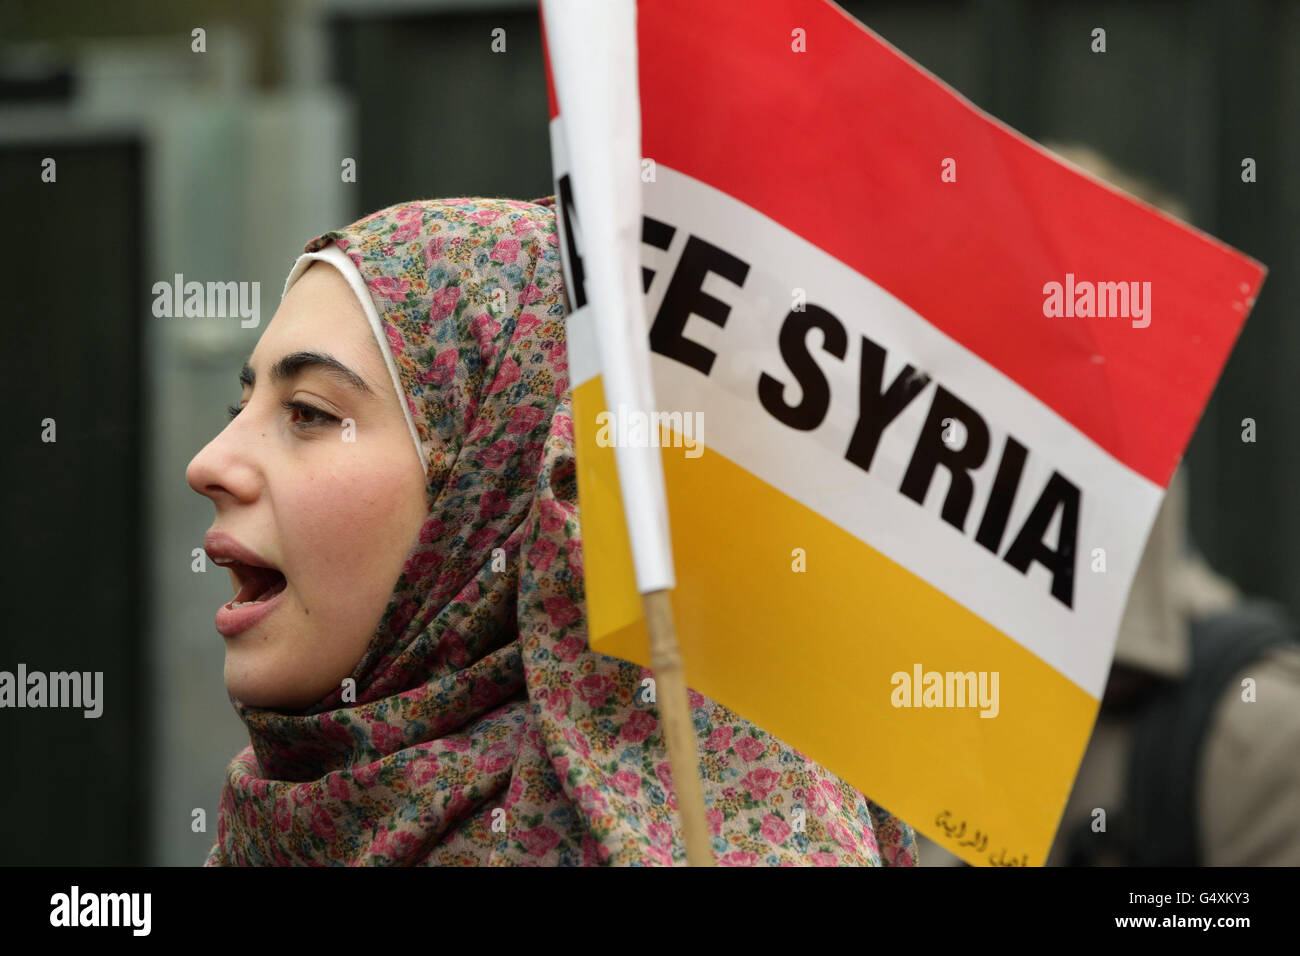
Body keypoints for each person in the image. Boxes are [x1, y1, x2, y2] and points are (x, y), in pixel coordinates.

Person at [186, 195, 920, 866]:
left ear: (496, 480)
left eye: (308, 413)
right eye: (237, 409)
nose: (210, 464)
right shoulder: (283, 813)